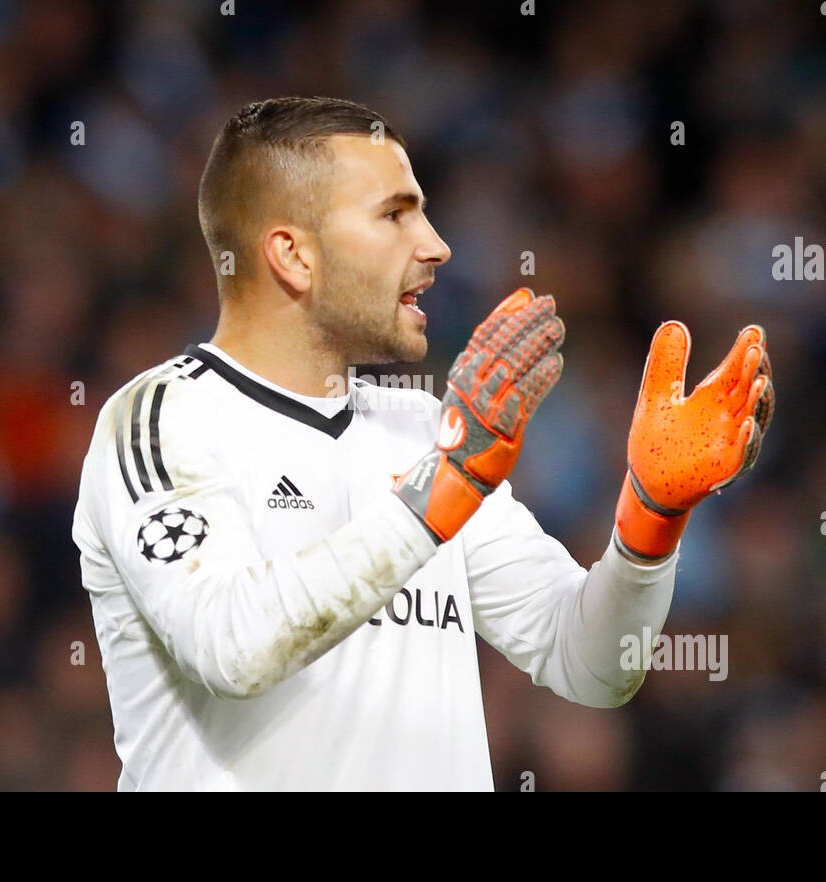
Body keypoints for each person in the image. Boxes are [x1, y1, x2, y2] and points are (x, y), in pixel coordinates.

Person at [71, 96, 774, 791]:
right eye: (394, 214)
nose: (435, 244)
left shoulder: (422, 430)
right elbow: (233, 648)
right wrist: (442, 488)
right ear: (293, 254)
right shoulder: (162, 420)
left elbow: (590, 664)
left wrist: (650, 520)